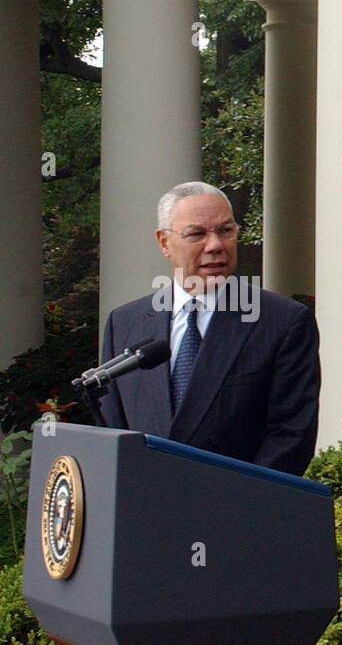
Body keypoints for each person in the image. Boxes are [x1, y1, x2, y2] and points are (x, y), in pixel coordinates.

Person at [100, 181, 320, 477]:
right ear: (164, 242)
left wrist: (229, 504)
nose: (216, 245)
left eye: (226, 231)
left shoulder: (282, 322)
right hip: (145, 506)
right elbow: (113, 427)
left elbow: (291, 434)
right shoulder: (125, 323)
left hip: (234, 508)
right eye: (197, 233)